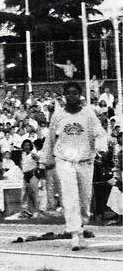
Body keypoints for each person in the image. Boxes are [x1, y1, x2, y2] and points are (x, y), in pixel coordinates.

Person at [41, 81, 107, 250]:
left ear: (80, 95)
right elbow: (50, 138)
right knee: (70, 198)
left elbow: (99, 132)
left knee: (85, 200)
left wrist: (101, 148)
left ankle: (82, 225)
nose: (71, 96)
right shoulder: (58, 115)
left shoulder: (88, 114)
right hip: (65, 161)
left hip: (85, 161)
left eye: (74, 93)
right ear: (64, 96)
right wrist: (47, 159)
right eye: (68, 93)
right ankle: (75, 234)